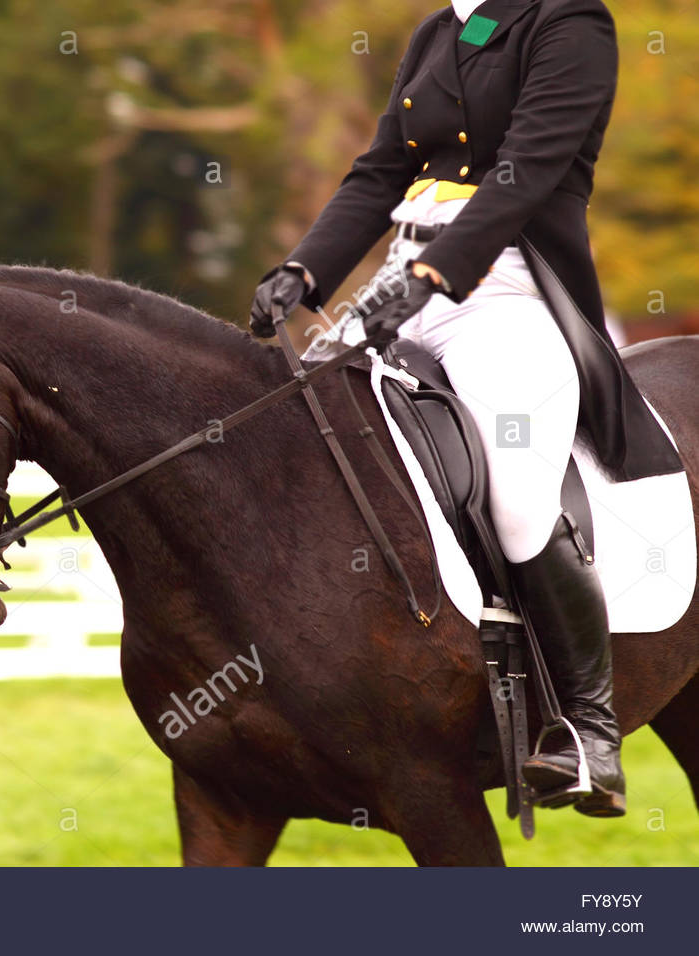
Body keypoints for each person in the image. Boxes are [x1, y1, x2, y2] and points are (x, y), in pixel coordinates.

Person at [247, 0, 684, 817]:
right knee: (295, 434)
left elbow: (528, 169)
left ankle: (587, 731)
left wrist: (433, 275)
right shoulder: (442, 29)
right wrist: (305, 271)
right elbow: (380, 172)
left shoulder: (569, 21)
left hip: (507, 290)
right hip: (402, 284)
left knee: (517, 491)